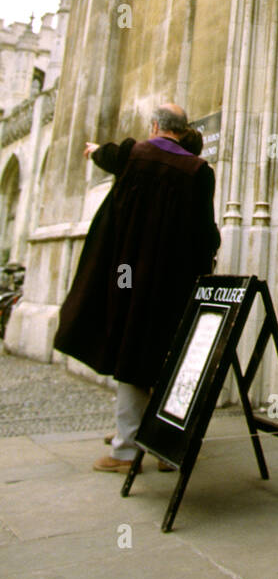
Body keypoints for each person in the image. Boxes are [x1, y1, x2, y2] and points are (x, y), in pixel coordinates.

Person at [54, 104, 220, 471]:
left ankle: (127, 450)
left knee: (132, 350)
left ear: (155, 125)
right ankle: (165, 446)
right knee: (167, 355)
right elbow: (206, 234)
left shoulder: (134, 154)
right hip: (173, 282)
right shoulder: (198, 171)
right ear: (183, 130)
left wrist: (93, 149)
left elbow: (105, 154)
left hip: (127, 275)